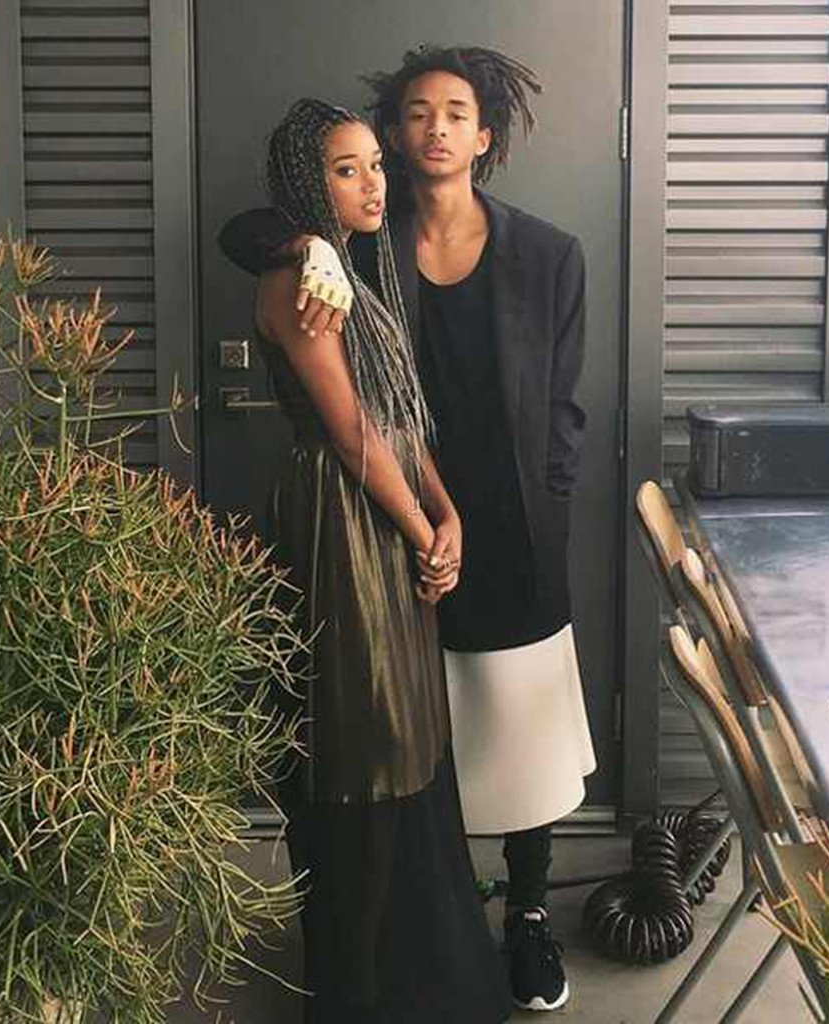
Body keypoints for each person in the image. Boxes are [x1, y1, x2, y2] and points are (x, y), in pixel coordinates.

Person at [221, 47, 596, 1013]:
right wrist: (303, 246)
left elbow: (562, 402)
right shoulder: (352, 251)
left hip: (496, 520)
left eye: (456, 112)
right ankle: (420, 932)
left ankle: (527, 915)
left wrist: (539, 498)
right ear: (393, 133)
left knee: (523, 727)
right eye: (416, 114)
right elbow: (252, 229)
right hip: (381, 523)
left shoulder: (546, 252)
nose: (435, 129)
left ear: (485, 135)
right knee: (405, 729)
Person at [249, 97, 511, 1024]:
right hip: (343, 519)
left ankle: (421, 970)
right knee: (368, 735)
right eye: (345, 168)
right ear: (306, 184)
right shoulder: (300, 281)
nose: (372, 183)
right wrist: (417, 528)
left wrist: (449, 514)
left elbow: (400, 416)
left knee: (411, 732)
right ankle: (359, 989)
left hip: (391, 508)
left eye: (375, 165)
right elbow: (353, 433)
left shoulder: (348, 270)